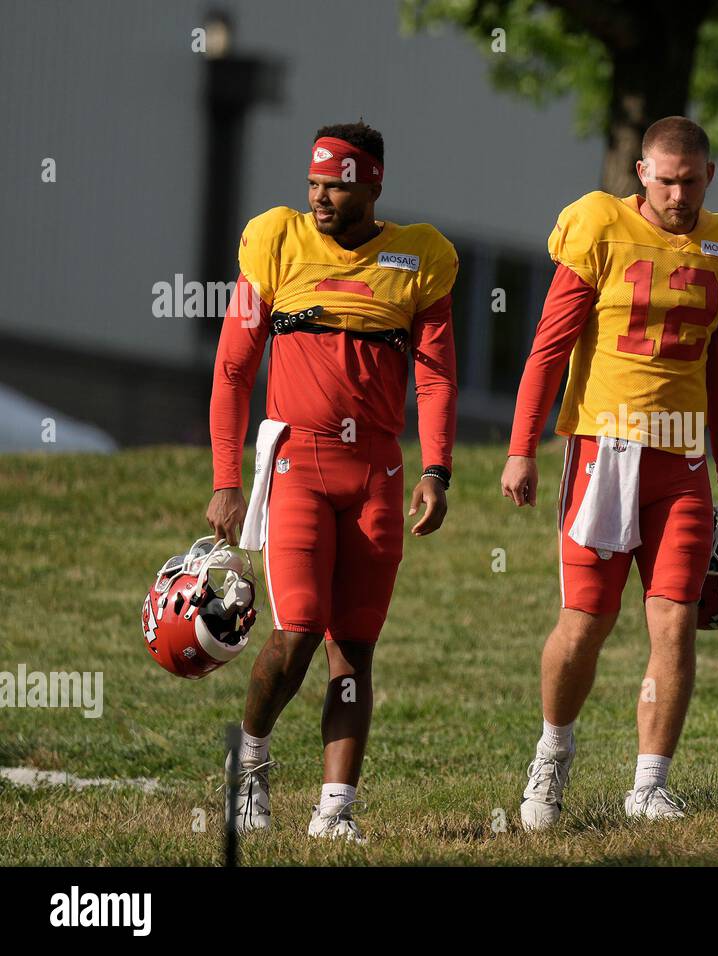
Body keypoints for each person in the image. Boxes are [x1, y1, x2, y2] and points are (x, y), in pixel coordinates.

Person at [501, 116, 718, 828]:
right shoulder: (599, 225)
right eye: (666, 179)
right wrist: (522, 445)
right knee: (586, 623)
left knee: (675, 623)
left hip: (683, 458)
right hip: (603, 449)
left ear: (709, 177)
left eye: (690, 181)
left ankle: (650, 783)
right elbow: (549, 347)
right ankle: (553, 753)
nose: (678, 195)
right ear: (642, 173)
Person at [207, 122, 458, 840]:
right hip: (298, 461)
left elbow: (436, 376)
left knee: (355, 645)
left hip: (377, 468)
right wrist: (229, 477)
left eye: (338, 184)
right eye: (314, 182)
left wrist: (436, 469)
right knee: (296, 631)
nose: (320, 196)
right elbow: (232, 368)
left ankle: (334, 809)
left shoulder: (420, 257)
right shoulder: (277, 241)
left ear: (373, 184)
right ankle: (248, 762)